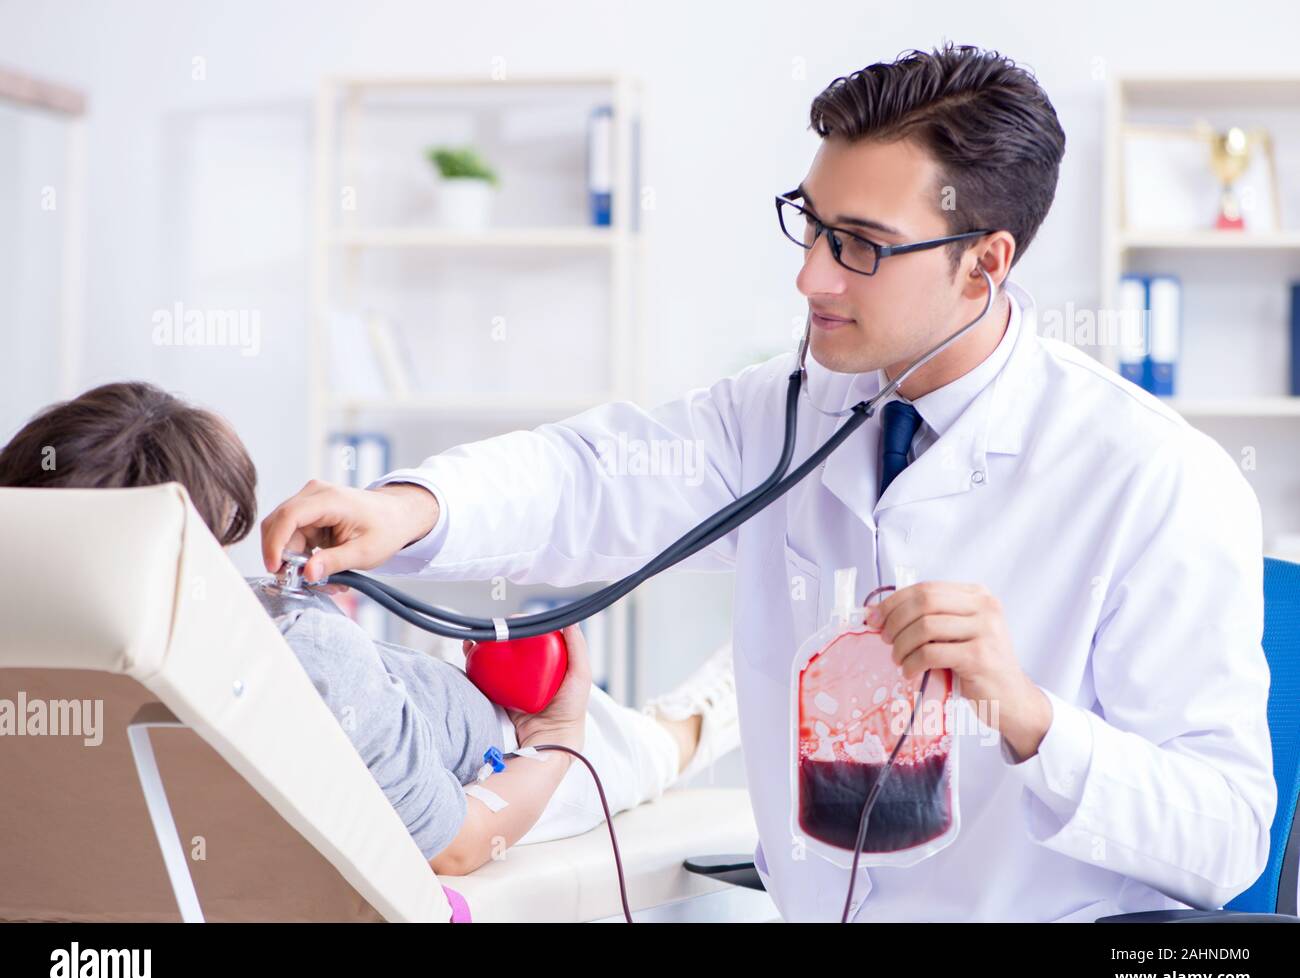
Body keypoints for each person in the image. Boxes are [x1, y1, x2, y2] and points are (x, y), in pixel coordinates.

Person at [261, 44, 1275, 921]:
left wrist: (1026, 713)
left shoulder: (1153, 478)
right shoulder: (789, 409)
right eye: (812, 221)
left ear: (984, 263)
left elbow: (1224, 838)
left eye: (861, 247)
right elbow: (593, 476)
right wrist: (406, 509)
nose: (812, 278)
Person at [0, 381, 741, 877]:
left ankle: (720, 699)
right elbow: (461, 845)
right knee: (652, 741)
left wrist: (554, 735)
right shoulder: (303, 657)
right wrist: (560, 734)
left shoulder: (37, 658)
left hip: (473, 722)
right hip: (514, 750)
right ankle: (715, 704)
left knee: (661, 734)